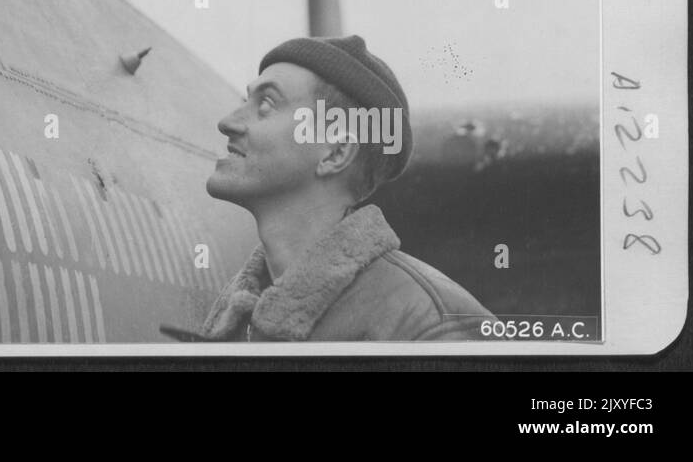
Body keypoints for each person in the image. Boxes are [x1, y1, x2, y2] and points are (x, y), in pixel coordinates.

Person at [201, 35, 494, 341]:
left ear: (335, 153)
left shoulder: (430, 326)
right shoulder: (234, 315)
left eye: (266, 104)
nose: (227, 122)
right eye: (244, 101)